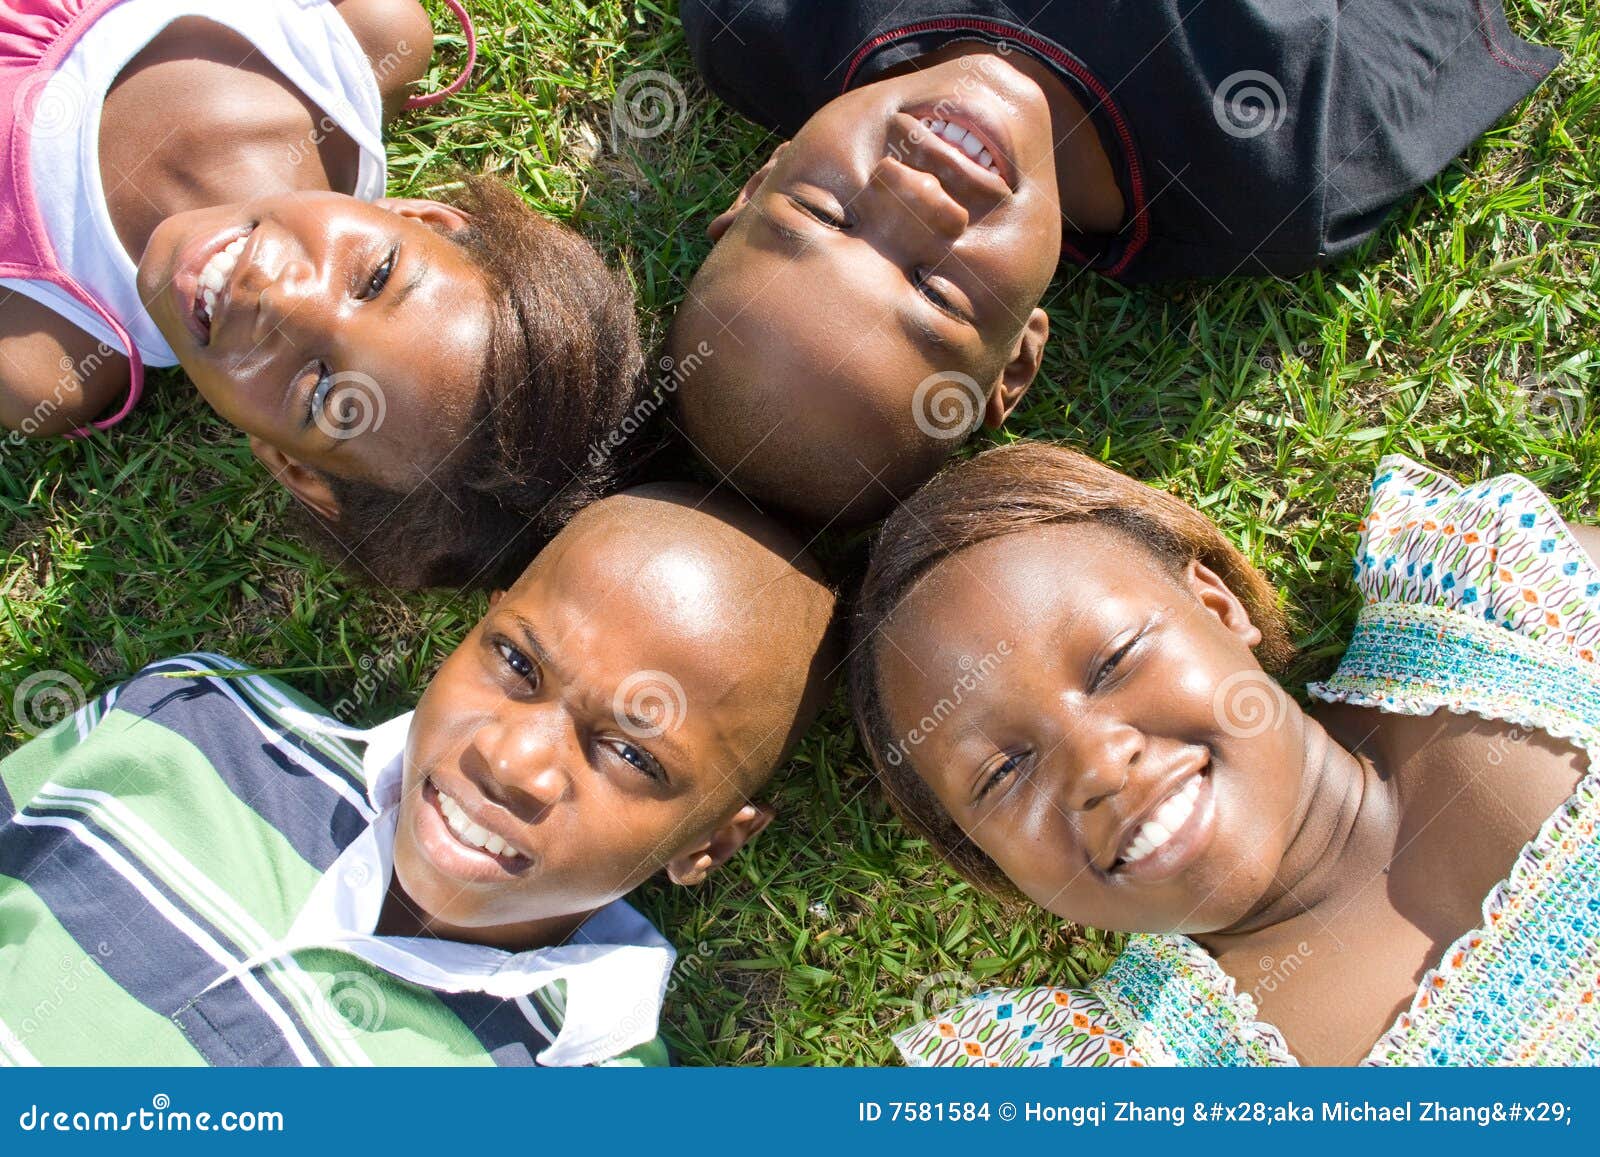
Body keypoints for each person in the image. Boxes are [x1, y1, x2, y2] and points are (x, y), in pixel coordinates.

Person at [0, 484, 839, 1065]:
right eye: (515, 659)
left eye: (631, 753)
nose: (510, 760)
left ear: (710, 844)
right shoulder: (191, 718)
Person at [670, 0, 1560, 525]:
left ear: (757, 184)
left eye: (824, 213)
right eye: (935, 291)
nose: (917, 199)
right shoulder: (1278, 168)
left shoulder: (763, 23)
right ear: (1016, 359)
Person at [851, 442, 1600, 1065]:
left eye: (1113, 661)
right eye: (1004, 771)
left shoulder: (1510, 613)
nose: (1103, 767)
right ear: (987, 862)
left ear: (1217, 605)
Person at [0, 0, 649, 589]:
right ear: (429, 221)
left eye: (319, 393)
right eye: (375, 278)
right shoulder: (365, 35)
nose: (279, 296)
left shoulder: (43, 352)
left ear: (294, 467)